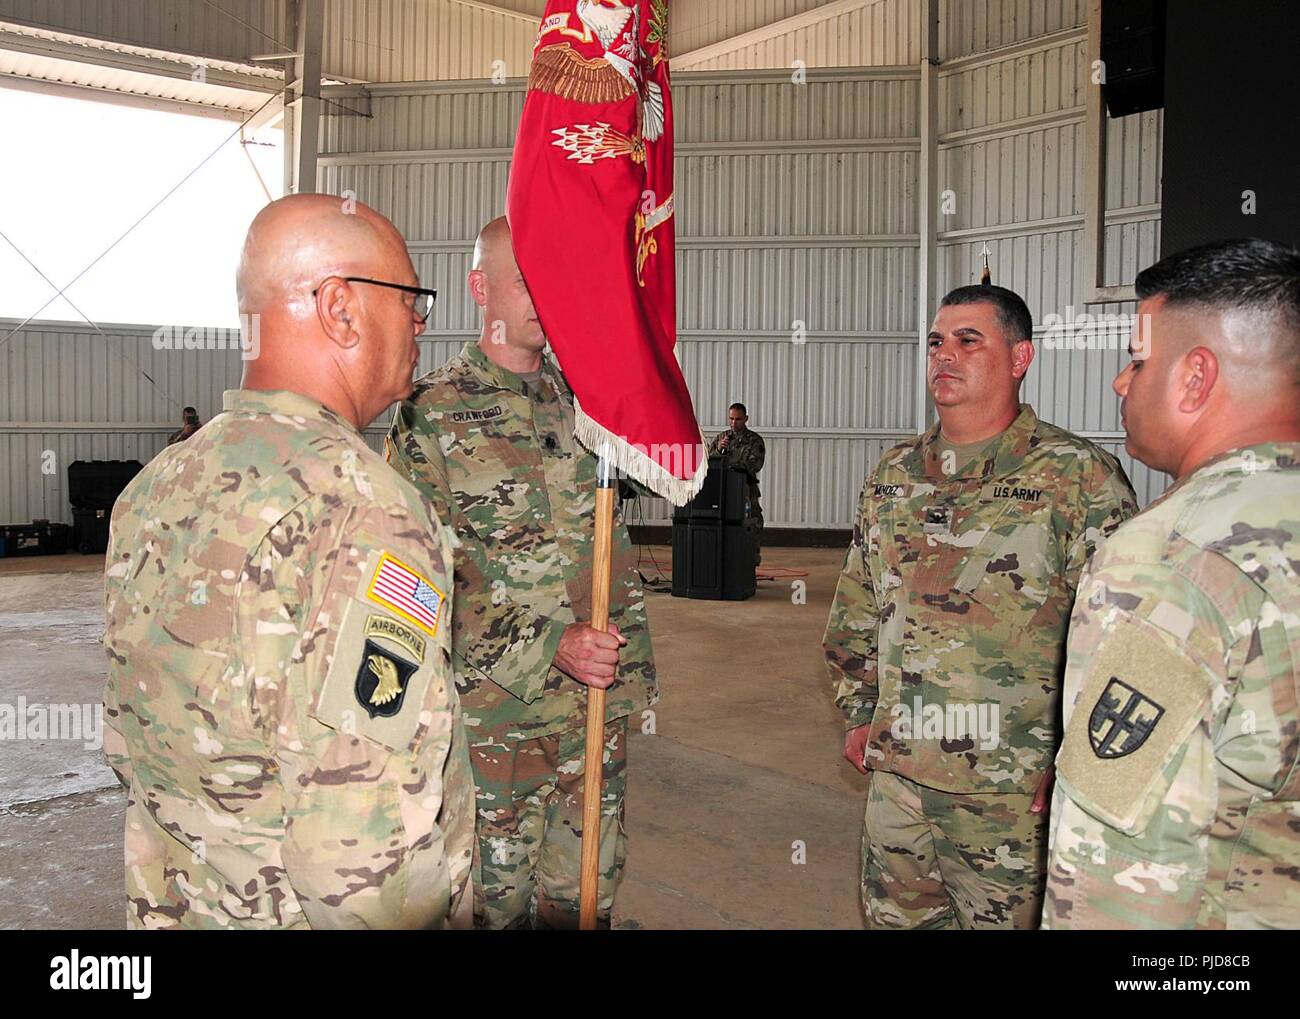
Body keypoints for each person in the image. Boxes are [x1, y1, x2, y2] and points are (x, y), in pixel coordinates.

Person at [101, 193, 474, 929]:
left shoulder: (156, 486)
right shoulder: (368, 510)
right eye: (412, 298)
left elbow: (130, 745)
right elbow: (363, 870)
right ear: (340, 308)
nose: (422, 321)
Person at [822, 283, 1137, 929]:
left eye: (970, 339)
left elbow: (1118, 637)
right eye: (937, 340)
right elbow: (858, 599)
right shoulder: (895, 471)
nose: (946, 354)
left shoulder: (1075, 476)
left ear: (1019, 357)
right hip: (899, 779)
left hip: (1010, 790)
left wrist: (1079, 765)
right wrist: (858, 710)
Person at [387, 216, 656, 929]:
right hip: (495, 716)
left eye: (554, 278)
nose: (544, 295)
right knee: (491, 902)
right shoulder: (431, 414)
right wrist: (550, 644)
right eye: (524, 278)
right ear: (481, 288)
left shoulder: (591, 405)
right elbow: (416, 576)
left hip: (596, 705)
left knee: (584, 894)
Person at [1042, 238, 1300, 929]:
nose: (1123, 382)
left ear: (1195, 378)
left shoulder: (1166, 562)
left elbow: (1121, 882)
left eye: (1136, 358)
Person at [708, 403, 765, 566]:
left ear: (746, 418)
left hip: (745, 490)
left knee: (752, 524)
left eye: (738, 419)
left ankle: (750, 563)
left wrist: (736, 467)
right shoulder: (721, 438)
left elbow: (756, 465)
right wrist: (719, 450)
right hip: (723, 490)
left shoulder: (754, 440)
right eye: (731, 419)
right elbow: (709, 463)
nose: (734, 423)